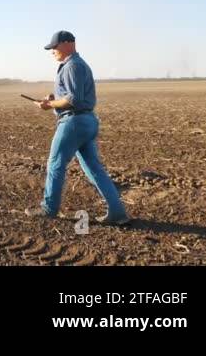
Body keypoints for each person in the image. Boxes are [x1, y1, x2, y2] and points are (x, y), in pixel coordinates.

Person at [25, 30, 131, 225]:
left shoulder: (72, 66)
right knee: (93, 168)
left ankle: (49, 208)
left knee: (55, 164)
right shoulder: (75, 65)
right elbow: (71, 96)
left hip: (73, 123)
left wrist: (49, 105)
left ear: (67, 44)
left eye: (54, 47)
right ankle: (117, 212)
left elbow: (73, 99)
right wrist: (52, 99)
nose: (52, 51)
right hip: (87, 121)